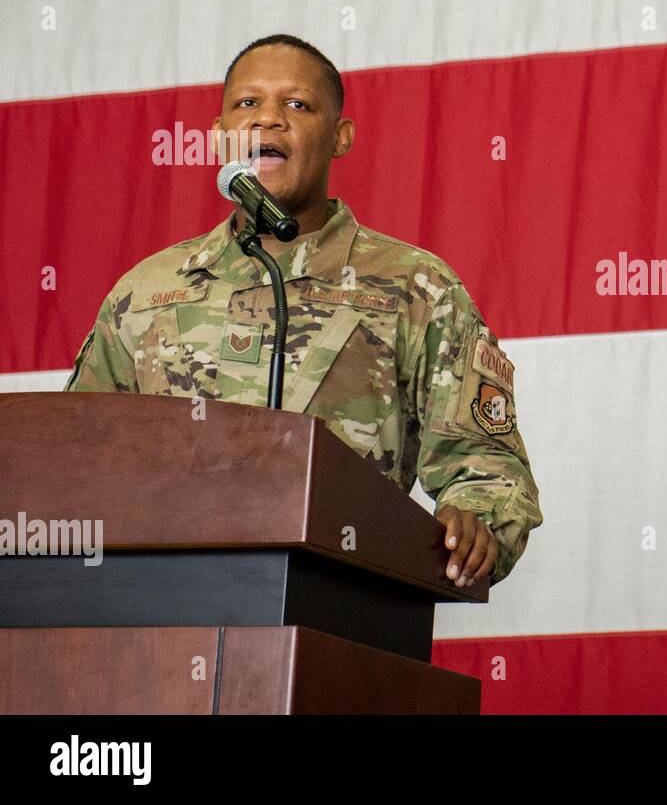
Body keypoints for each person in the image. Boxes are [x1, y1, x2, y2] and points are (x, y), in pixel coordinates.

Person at [65, 34, 542, 587]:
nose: (267, 119)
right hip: (163, 610)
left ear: (340, 137)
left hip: (339, 603)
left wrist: (477, 520)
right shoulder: (144, 292)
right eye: (247, 104)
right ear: (219, 137)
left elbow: (484, 464)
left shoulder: (416, 288)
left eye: (297, 104)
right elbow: (78, 457)